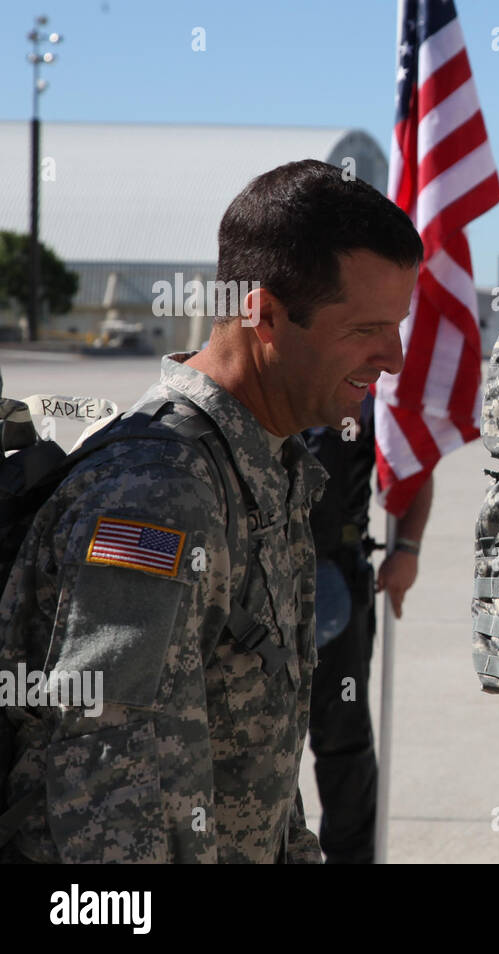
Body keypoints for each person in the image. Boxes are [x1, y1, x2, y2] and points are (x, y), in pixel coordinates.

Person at [0, 159, 420, 863]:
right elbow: (105, 791)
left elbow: (257, 775)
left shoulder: (269, 468)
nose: (396, 358)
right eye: (367, 329)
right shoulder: (159, 492)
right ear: (262, 313)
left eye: (398, 325)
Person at [303, 394, 432, 864]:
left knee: (343, 739)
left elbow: (412, 471)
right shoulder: (255, 393)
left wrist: (408, 550)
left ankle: (353, 857)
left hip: (335, 583)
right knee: (253, 737)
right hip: (254, 585)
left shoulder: (363, 400)